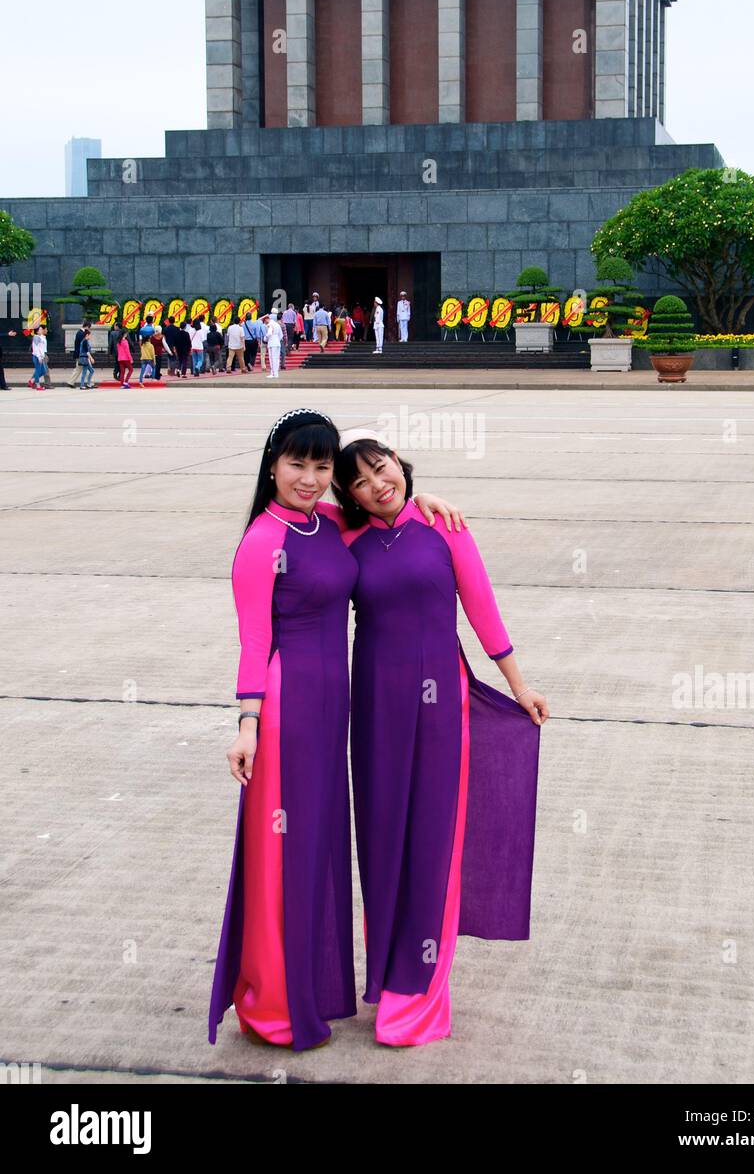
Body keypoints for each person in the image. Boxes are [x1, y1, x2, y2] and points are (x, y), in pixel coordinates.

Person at [208, 408, 461, 1052]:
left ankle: (314, 989)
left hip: (336, 709)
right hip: (289, 706)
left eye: (322, 467)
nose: (311, 478)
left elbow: (383, 513)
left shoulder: (327, 524)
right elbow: (252, 639)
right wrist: (247, 723)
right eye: (299, 464)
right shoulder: (262, 540)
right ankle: (273, 1002)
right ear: (272, 465)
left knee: (322, 847)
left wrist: (418, 491)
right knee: (284, 853)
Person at [331, 430, 546, 1047]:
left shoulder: (444, 530)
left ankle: (421, 992)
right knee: (379, 841)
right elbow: (305, 505)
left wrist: (520, 686)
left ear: (399, 463)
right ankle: (388, 978)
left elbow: (483, 611)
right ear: (352, 495)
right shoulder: (348, 539)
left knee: (432, 840)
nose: (378, 485)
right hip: (372, 707)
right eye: (362, 483)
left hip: (439, 708)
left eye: (383, 470)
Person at [67, 319, 90, 388]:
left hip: (80, 354)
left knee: (80, 368)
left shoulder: (80, 332)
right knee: (82, 368)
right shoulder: (81, 333)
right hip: (81, 354)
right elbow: (82, 345)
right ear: (87, 326)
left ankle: (71, 382)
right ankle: (90, 382)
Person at [30, 325, 48, 390]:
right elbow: (36, 349)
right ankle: (38, 386)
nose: (42, 330)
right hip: (37, 357)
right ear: (37, 332)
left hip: (41, 356)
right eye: (40, 330)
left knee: (43, 371)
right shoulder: (36, 337)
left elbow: (42, 348)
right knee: (37, 371)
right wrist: (39, 357)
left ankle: (32, 381)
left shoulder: (40, 337)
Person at [265, 313, 282, 378]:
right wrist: (277, 339)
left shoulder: (270, 324)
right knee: (276, 358)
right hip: (277, 342)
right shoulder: (278, 325)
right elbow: (281, 335)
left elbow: (269, 333)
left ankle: (273, 373)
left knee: (272, 358)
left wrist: (265, 338)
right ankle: (276, 373)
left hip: (272, 343)